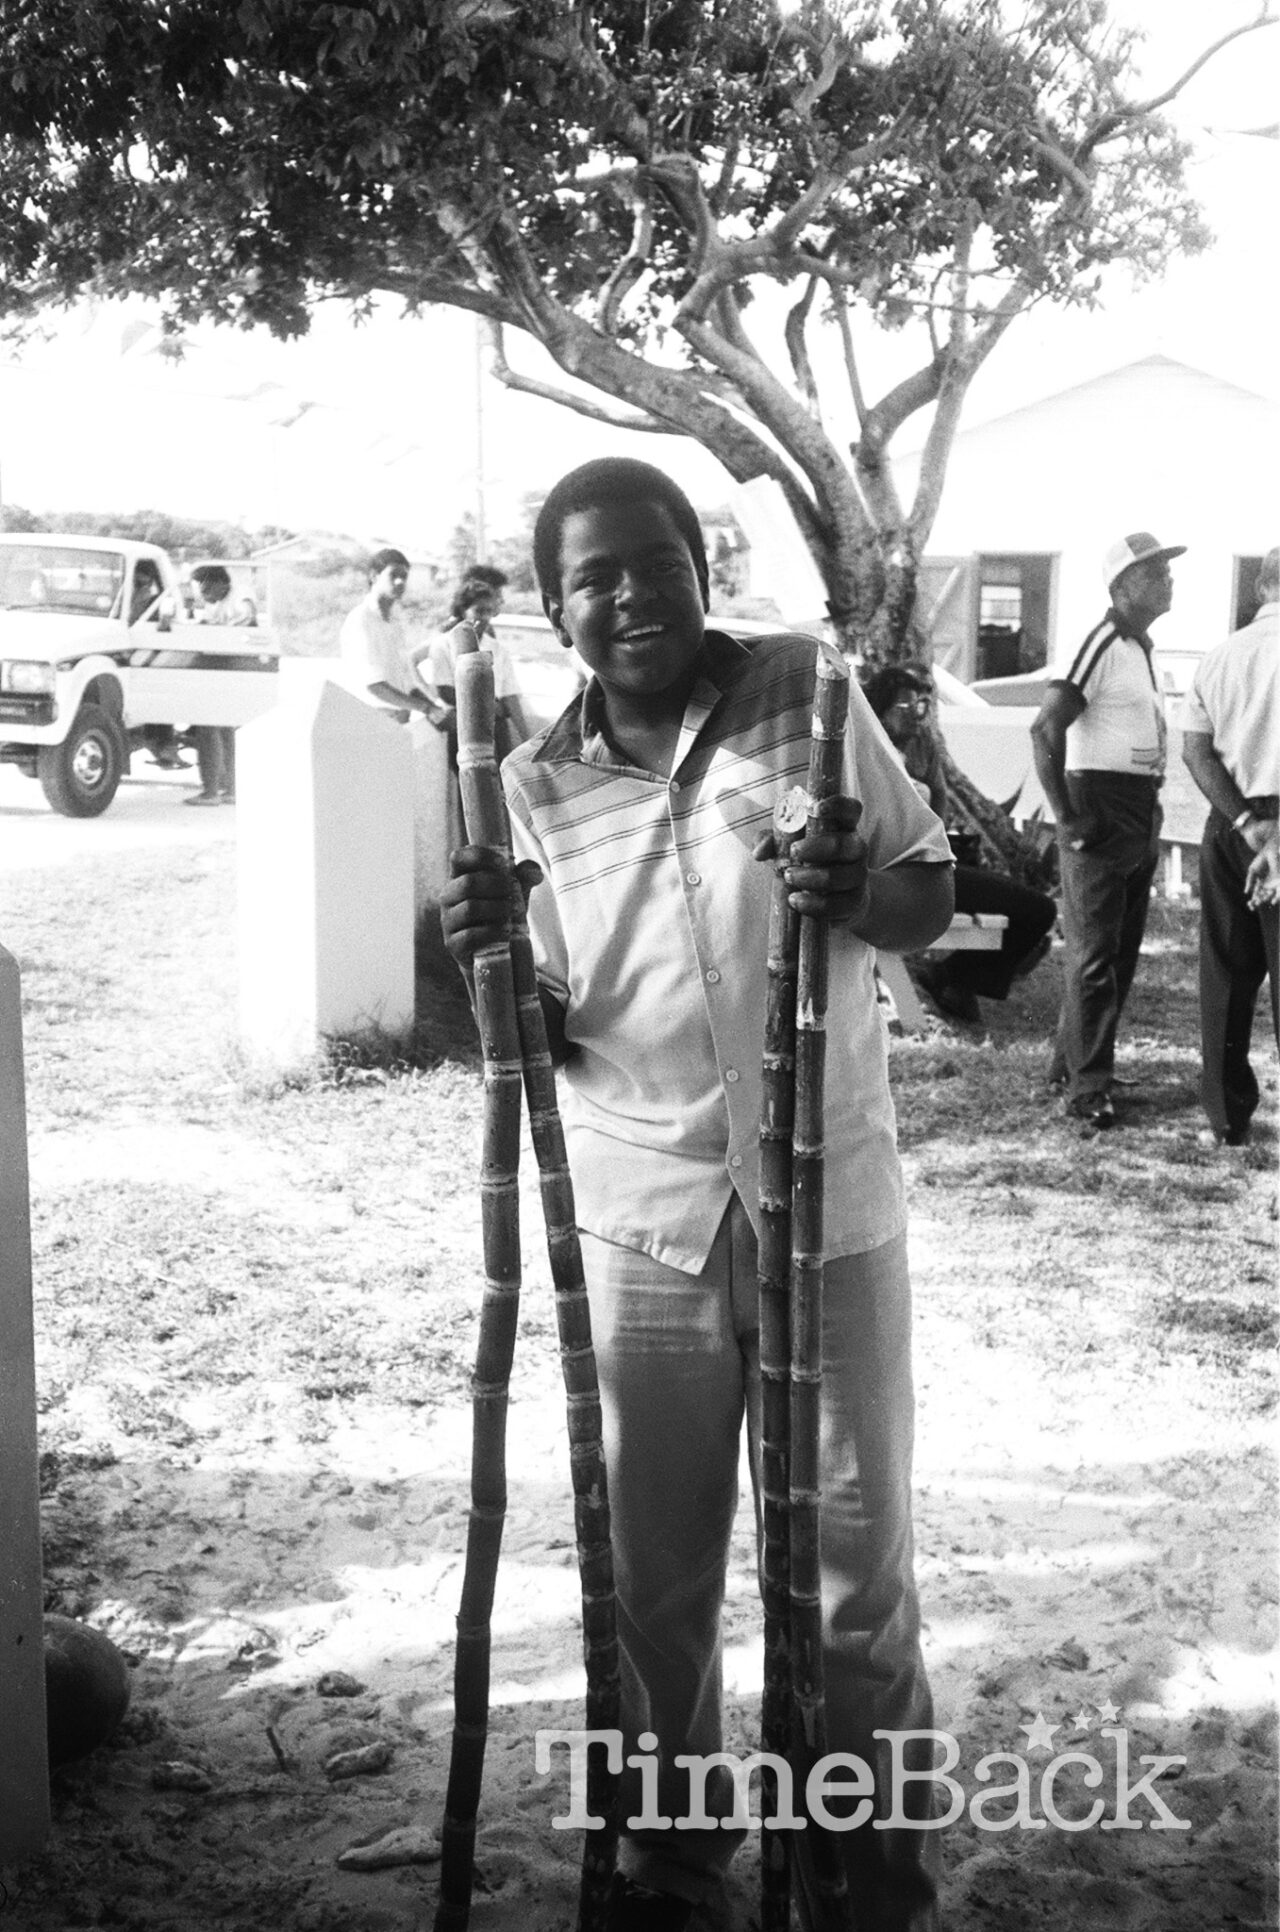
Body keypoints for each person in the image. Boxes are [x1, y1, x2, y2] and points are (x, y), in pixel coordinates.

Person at [441, 458, 953, 1932]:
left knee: (857, 1591)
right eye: (593, 577)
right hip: (641, 1223)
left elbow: (927, 895)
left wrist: (858, 890)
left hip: (828, 1208)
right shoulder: (527, 780)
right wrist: (483, 959)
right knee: (654, 1596)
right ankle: (677, 1866)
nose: (629, 596)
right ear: (556, 610)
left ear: (697, 566)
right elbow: (538, 1035)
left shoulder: (803, 692)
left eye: (653, 563)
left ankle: (873, 1886)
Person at [1031, 530, 1184, 1130]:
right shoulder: (1099, 642)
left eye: (1168, 571)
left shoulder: (1140, 648)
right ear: (1121, 587)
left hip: (1138, 809)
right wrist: (1068, 817)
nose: (1168, 581)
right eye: (1155, 572)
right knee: (1095, 955)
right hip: (1099, 803)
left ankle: (1072, 1066)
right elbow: (1046, 730)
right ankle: (1087, 1090)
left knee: (1116, 953)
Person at [863, 661, 1057, 1024]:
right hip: (884, 876)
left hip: (930, 869)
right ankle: (950, 983)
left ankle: (953, 977)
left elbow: (937, 810)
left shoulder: (923, 747)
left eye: (922, 704)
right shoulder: (861, 749)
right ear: (879, 708)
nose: (916, 715)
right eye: (904, 706)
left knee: (1038, 910)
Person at [1178, 545, 1279, 1147]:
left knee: (1225, 969)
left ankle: (1225, 1116)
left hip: (1230, 823)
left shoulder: (1220, 655)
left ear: (1263, 587)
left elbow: (1195, 750)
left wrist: (1245, 821)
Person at [424, 565, 534, 858]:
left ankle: (508, 860)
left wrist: (527, 739)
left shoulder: (496, 647)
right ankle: (476, 865)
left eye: (488, 612)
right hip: (466, 729)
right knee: (472, 800)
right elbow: (444, 689)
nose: (483, 618)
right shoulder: (444, 644)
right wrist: (482, 703)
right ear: (463, 610)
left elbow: (510, 695)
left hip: (496, 729)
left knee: (504, 796)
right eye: (477, 611)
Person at [337, 546, 443, 722]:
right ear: (374, 576)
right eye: (393, 575)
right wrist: (426, 707)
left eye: (404, 576)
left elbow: (406, 682)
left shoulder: (394, 622)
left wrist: (436, 709)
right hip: (371, 719)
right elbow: (374, 685)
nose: (400, 582)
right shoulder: (360, 620)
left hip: (398, 719)